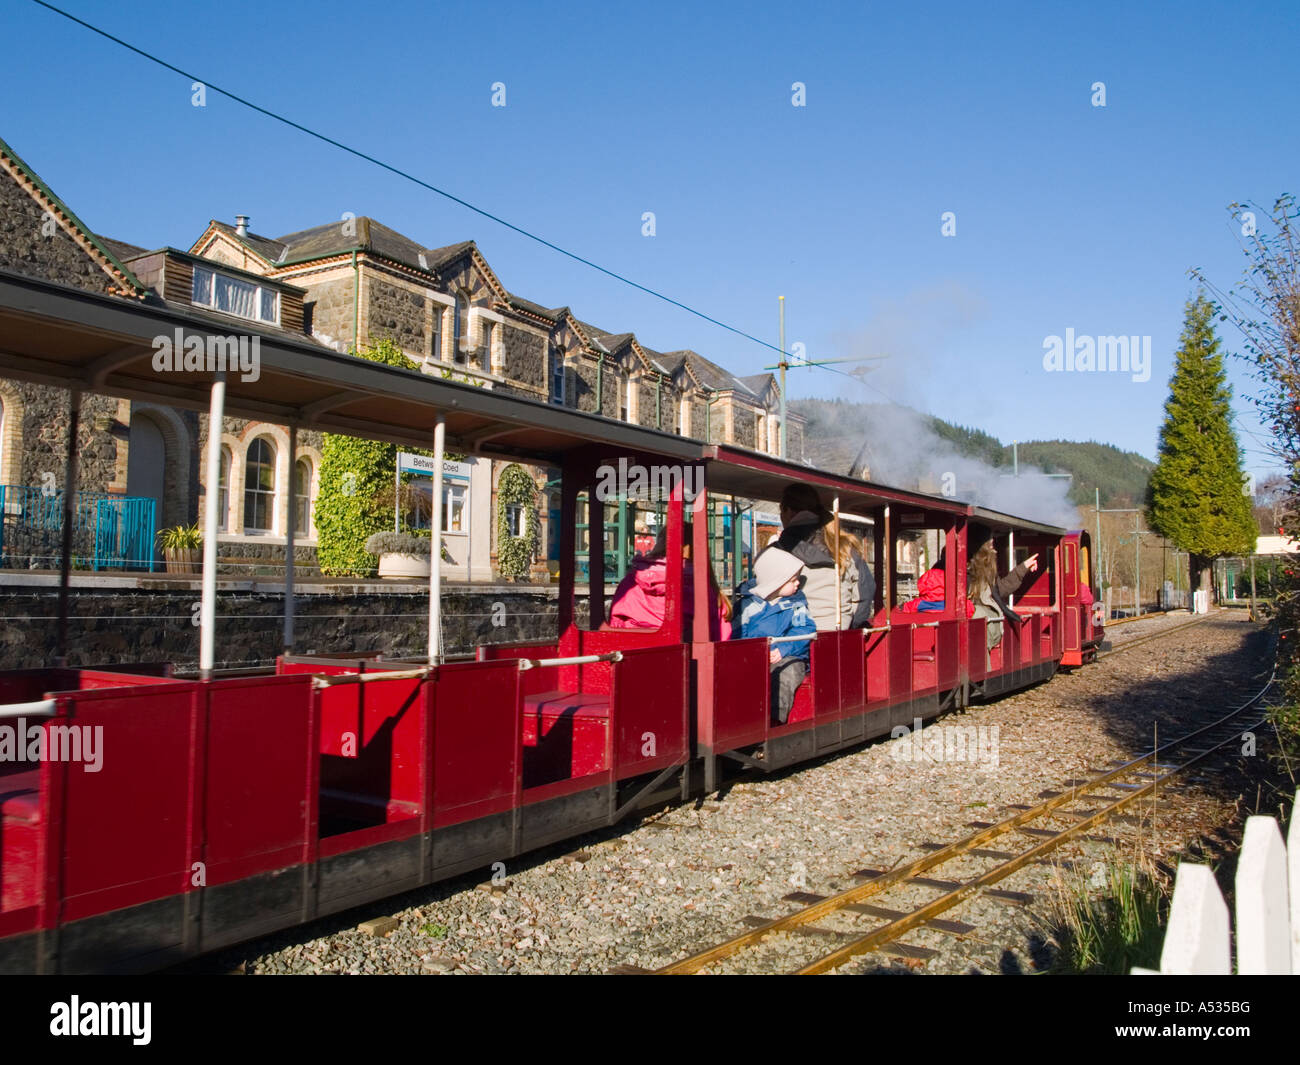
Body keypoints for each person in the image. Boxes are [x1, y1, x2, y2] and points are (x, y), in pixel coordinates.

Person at [736, 547, 817, 725]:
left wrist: (783, 648)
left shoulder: (796, 604)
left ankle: (775, 720)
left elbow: (805, 629)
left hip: (787, 655)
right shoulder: (746, 605)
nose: (798, 584)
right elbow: (737, 634)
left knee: (786, 674)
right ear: (776, 582)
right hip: (753, 656)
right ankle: (741, 720)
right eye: (793, 580)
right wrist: (752, 652)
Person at [608, 524, 732, 639]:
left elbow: (615, 623)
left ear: (661, 543)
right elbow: (720, 635)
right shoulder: (705, 588)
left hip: (633, 654)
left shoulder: (631, 581)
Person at [767, 484, 839, 630]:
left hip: (796, 634)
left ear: (788, 512)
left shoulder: (777, 551)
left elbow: (766, 593)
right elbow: (864, 590)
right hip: (840, 627)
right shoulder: (842, 544)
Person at [968, 541, 1039, 651]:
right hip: (981, 635)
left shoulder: (986, 575)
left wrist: (1023, 568)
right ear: (981, 551)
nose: (995, 551)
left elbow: (999, 590)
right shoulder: (968, 575)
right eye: (991, 546)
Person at [828, 527, 877, 629]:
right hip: (842, 624)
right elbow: (865, 592)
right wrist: (853, 625)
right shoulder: (850, 553)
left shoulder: (789, 548)